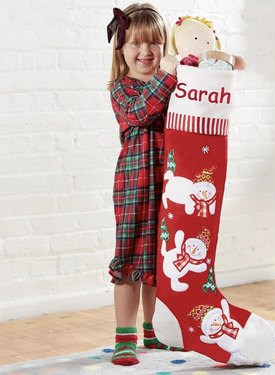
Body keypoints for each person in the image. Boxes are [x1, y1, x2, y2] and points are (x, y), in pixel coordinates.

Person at [106, 3, 181, 366]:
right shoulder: (121, 89)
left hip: (170, 179)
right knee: (131, 260)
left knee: (159, 261)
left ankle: (155, 330)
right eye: (136, 44)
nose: (146, 52)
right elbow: (143, 112)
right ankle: (125, 335)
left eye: (154, 44)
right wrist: (167, 76)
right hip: (134, 184)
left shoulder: (173, 85)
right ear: (121, 49)